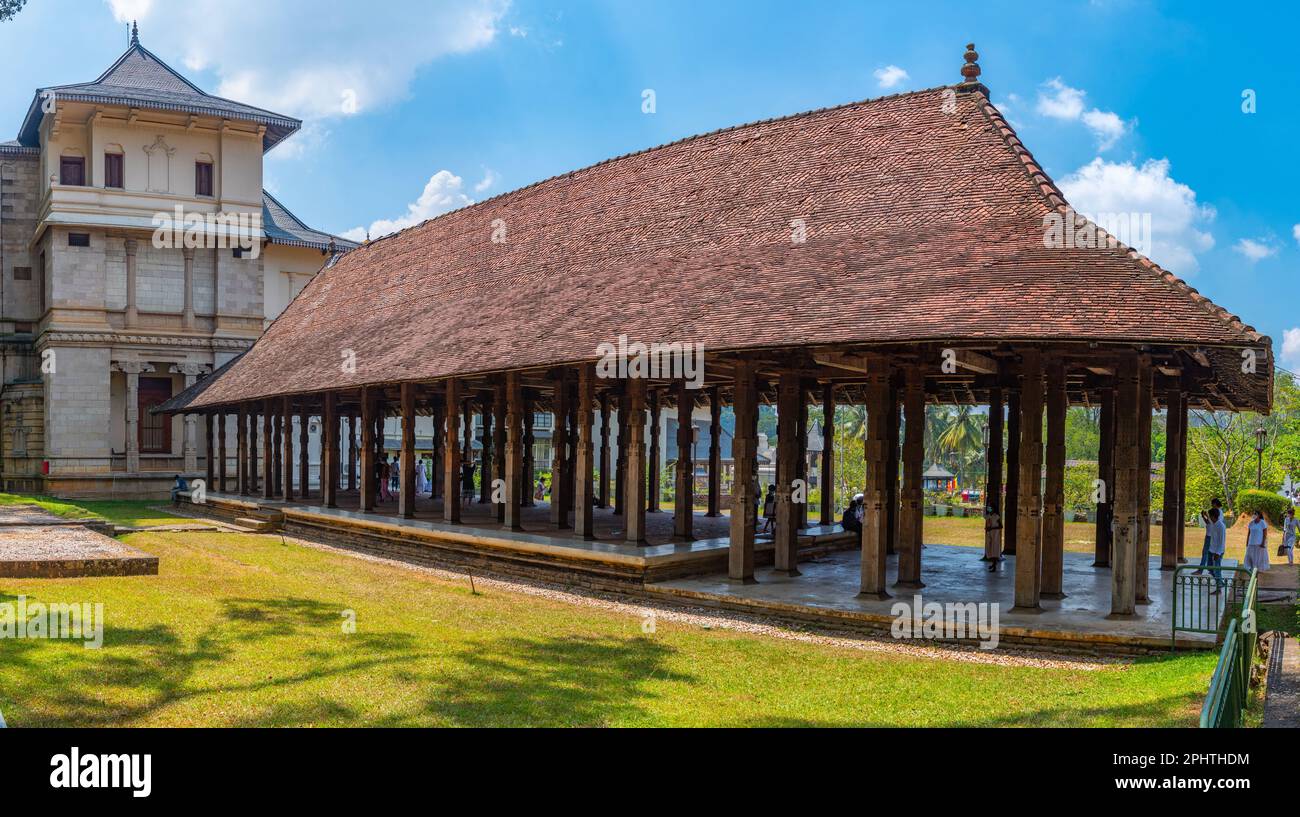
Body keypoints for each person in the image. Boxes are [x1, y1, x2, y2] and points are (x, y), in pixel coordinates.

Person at [1194, 498, 1223, 575]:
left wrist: (1207, 516)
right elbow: (1208, 523)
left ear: (1215, 504)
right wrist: (1204, 517)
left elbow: (1213, 522)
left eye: (1212, 504)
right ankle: (1210, 570)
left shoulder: (1219, 512)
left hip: (1211, 536)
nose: (1211, 505)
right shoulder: (1214, 511)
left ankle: (1203, 570)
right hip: (1209, 534)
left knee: (1206, 553)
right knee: (1205, 553)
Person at [1205, 507, 1228, 593]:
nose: (1209, 518)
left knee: (1216, 570)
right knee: (1210, 568)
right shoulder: (1213, 523)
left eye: (1210, 516)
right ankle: (1220, 582)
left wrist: (1218, 553)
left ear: (1214, 516)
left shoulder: (1221, 526)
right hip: (1211, 550)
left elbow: (1222, 541)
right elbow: (1208, 522)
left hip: (1217, 551)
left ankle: (1219, 589)